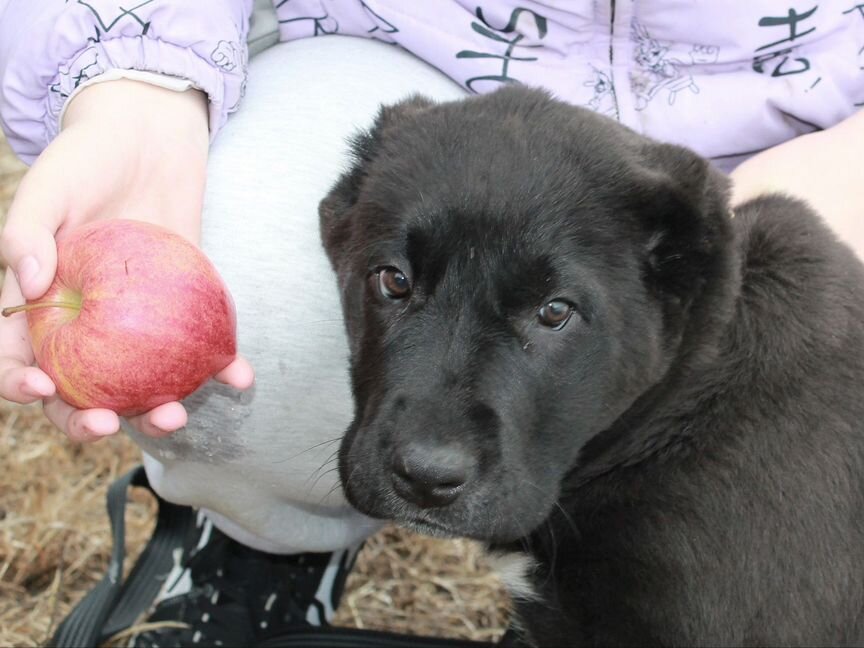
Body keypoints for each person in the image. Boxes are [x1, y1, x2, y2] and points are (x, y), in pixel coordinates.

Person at [0, 1, 862, 645]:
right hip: (423, 61)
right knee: (230, 247)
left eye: (550, 313)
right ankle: (264, 543)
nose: (430, 452)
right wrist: (134, 88)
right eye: (396, 281)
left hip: (807, 132)